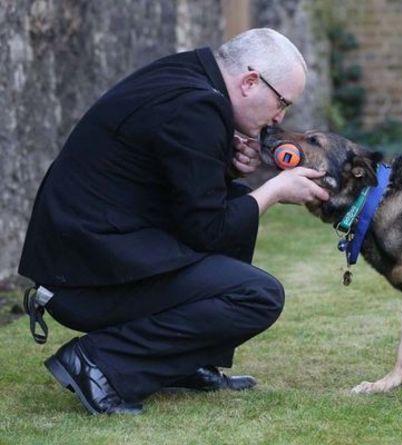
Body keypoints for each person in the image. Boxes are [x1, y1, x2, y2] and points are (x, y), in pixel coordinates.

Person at [18, 28, 329, 415]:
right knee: (258, 295)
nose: (279, 118)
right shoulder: (196, 105)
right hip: (83, 280)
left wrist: (228, 172)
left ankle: (183, 362)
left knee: (235, 200)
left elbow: (178, 192)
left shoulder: (188, 79)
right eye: (282, 103)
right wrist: (274, 191)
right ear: (250, 82)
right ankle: (99, 364)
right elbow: (208, 229)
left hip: (89, 256)